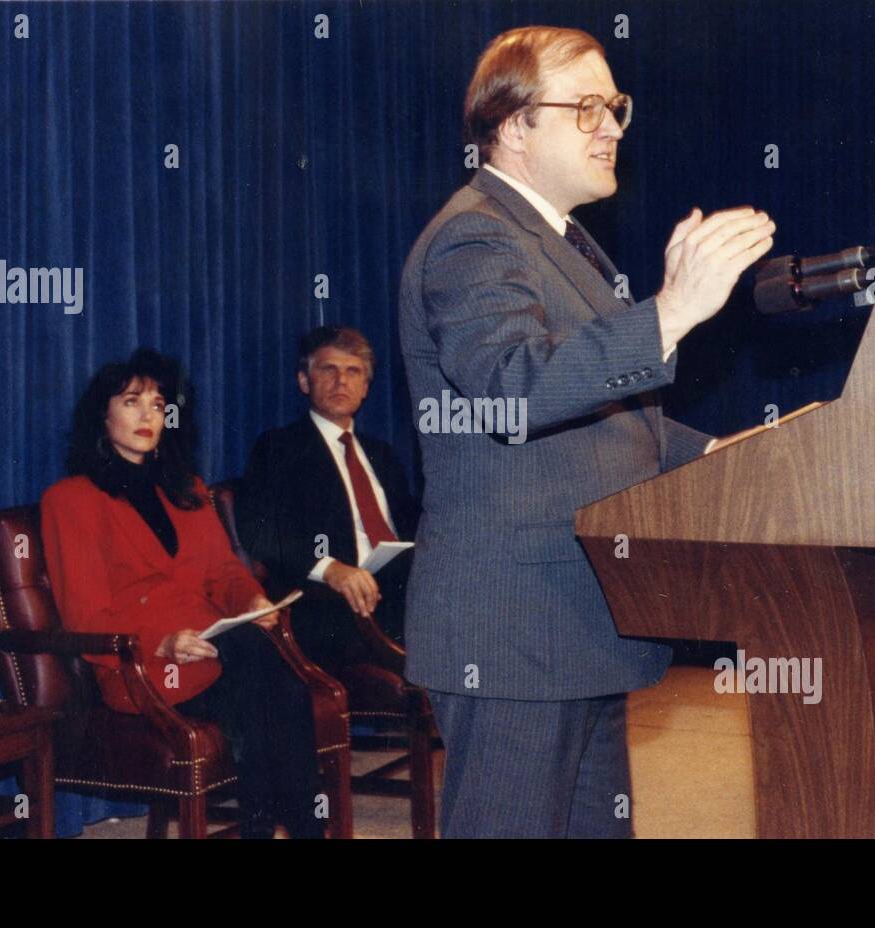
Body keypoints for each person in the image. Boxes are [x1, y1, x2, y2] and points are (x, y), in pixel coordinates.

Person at [398, 26, 775, 837]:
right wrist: (670, 312)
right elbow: (513, 386)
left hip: (572, 622)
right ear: (513, 127)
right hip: (514, 629)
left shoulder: (560, 242)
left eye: (616, 107)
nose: (613, 127)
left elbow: (605, 420)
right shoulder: (476, 236)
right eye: (587, 108)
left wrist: (720, 456)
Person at [40, 348, 323, 838]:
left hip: (214, 645)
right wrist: (165, 641)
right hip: (142, 665)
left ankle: (279, 829)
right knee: (269, 682)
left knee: (275, 679)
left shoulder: (185, 488)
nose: (149, 414)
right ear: (101, 415)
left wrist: (251, 602)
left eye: (157, 404)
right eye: (132, 402)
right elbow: (85, 616)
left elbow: (220, 572)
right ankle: (292, 830)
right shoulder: (70, 500)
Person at [237, 326, 418, 678]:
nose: (341, 382)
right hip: (331, 605)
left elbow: (412, 526)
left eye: (353, 372)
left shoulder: (383, 455)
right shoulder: (278, 448)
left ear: (366, 387)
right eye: (328, 369)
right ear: (304, 381)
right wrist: (331, 568)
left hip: (400, 592)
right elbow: (258, 531)